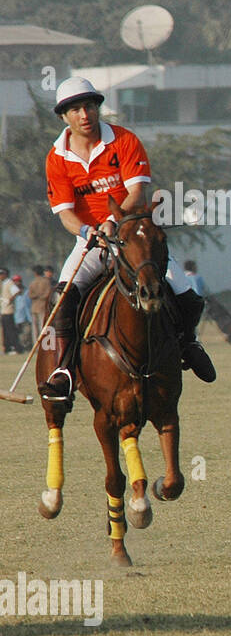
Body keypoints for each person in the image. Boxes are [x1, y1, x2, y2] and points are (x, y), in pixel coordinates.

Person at [40, 76, 215, 402]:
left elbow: (137, 192)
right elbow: (65, 214)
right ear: (64, 116)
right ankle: (64, 369)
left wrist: (110, 221)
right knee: (62, 299)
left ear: (97, 108)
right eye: (76, 109)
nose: (85, 115)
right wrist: (86, 231)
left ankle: (188, 343)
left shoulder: (123, 141)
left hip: (132, 236)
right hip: (92, 242)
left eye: (90, 106)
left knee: (186, 293)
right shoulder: (57, 158)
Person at [28, 265, 53, 340]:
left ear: (35, 273)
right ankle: (42, 345)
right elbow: (48, 294)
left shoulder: (33, 282)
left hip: (35, 307)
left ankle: (36, 345)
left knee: (35, 328)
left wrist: (37, 296)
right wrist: (41, 296)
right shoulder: (46, 281)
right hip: (43, 306)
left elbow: (30, 295)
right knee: (43, 327)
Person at [0, 270, 19, 354]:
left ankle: (14, 347)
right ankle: (7, 348)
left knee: (10, 330)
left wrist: (9, 300)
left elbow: (17, 291)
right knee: (5, 330)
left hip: (8, 310)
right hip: (3, 310)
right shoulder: (3, 283)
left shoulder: (9, 282)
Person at [14, 276, 33, 351]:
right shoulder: (13, 293)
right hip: (17, 317)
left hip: (27, 316)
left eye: (18, 281)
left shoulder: (27, 291)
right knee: (20, 335)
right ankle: (22, 348)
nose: (17, 283)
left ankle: (28, 347)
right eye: (15, 281)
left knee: (27, 333)